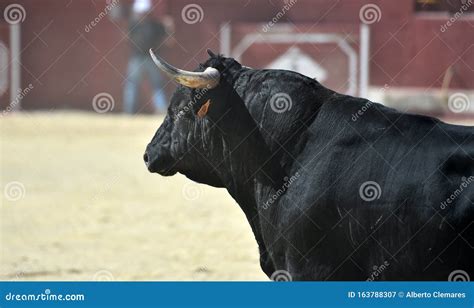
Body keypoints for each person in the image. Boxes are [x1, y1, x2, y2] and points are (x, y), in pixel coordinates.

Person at [123, 0, 171, 114]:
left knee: (133, 84)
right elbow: (169, 41)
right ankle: (161, 110)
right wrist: (169, 28)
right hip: (151, 58)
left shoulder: (133, 25)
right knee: (155, 85)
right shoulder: (157, 25)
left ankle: (129, 112)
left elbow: (126, 38)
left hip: (140, 58)